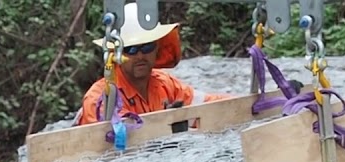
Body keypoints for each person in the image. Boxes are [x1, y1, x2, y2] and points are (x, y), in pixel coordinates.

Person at [77, 2, 233, 125]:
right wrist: (166, 123)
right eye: (130, 49)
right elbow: (110, 145)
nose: (139, 55)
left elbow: (205, 104)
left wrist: (246, 102)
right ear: (117, 54)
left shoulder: (165, 84)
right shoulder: (100, 98)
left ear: (157, 48)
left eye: (147, 47)